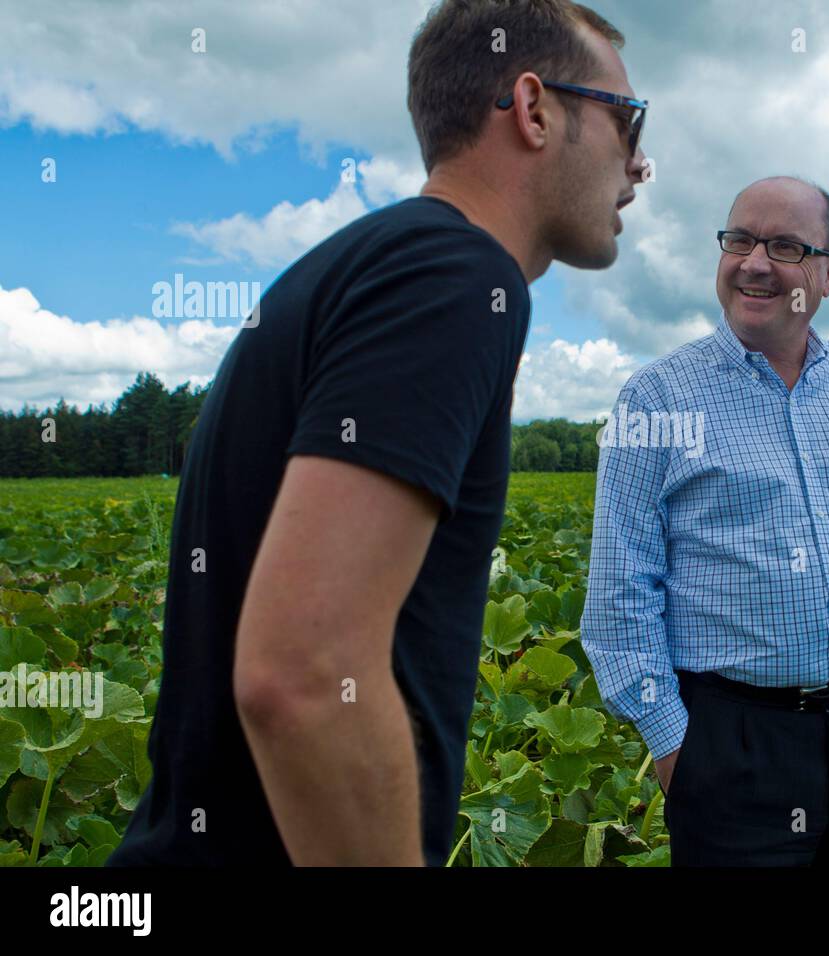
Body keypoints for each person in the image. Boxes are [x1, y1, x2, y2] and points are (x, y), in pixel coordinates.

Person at [108, 0, 646, 867]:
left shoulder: (363, 262)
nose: (641, 163)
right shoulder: (453, 276)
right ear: (536, 108)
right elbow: (305, 677)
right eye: (628, 119)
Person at [580, 175, 829, 866]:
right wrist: (674, 747)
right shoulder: (656, 398)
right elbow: (619, 594)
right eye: (740, 240)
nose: (754, 262)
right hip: (733, 749)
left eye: (784, 245)